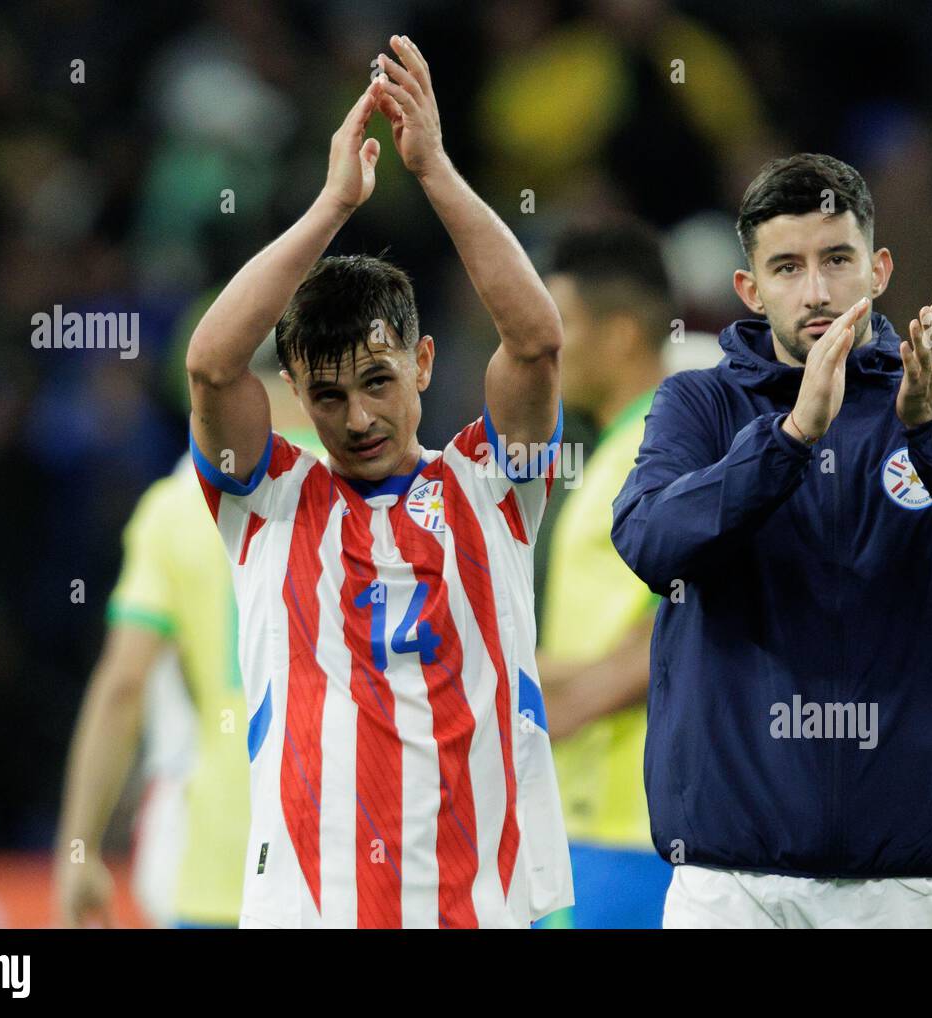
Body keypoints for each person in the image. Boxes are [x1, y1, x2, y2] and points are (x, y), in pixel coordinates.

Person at [611, 153, 932, 929]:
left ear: (879, 269)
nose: (817, 291)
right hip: (730, 885)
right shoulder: (701, 404)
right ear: (749, 291)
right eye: (787, 267)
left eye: (836, 260)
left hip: (901, 889)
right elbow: (651, 540)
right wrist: (788, 440)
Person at [184, 34, 570, 929]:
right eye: (326, 394)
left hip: (480, 905)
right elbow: (211, 368)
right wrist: (330, 205)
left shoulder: (491, 486)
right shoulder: (269, 501)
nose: (356, 418)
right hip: (310, 910)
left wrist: (432, 170)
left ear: (425, 363)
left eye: (376, 381)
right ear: (296, 396)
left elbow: (538, 340)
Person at [54, 346, 324, 929]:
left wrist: (79, 848)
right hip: (362, 859)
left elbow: (123, 685)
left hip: (225, 861)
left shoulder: (175, 508)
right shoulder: (377, 485)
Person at [535, 220, 673, 928]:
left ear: (621, 334)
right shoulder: (614, 448)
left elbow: (675, 630)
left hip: (633, 823)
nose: (547, 342)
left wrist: (542, 712)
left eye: (563, 322)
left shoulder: (664, 450)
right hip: (585, 812)